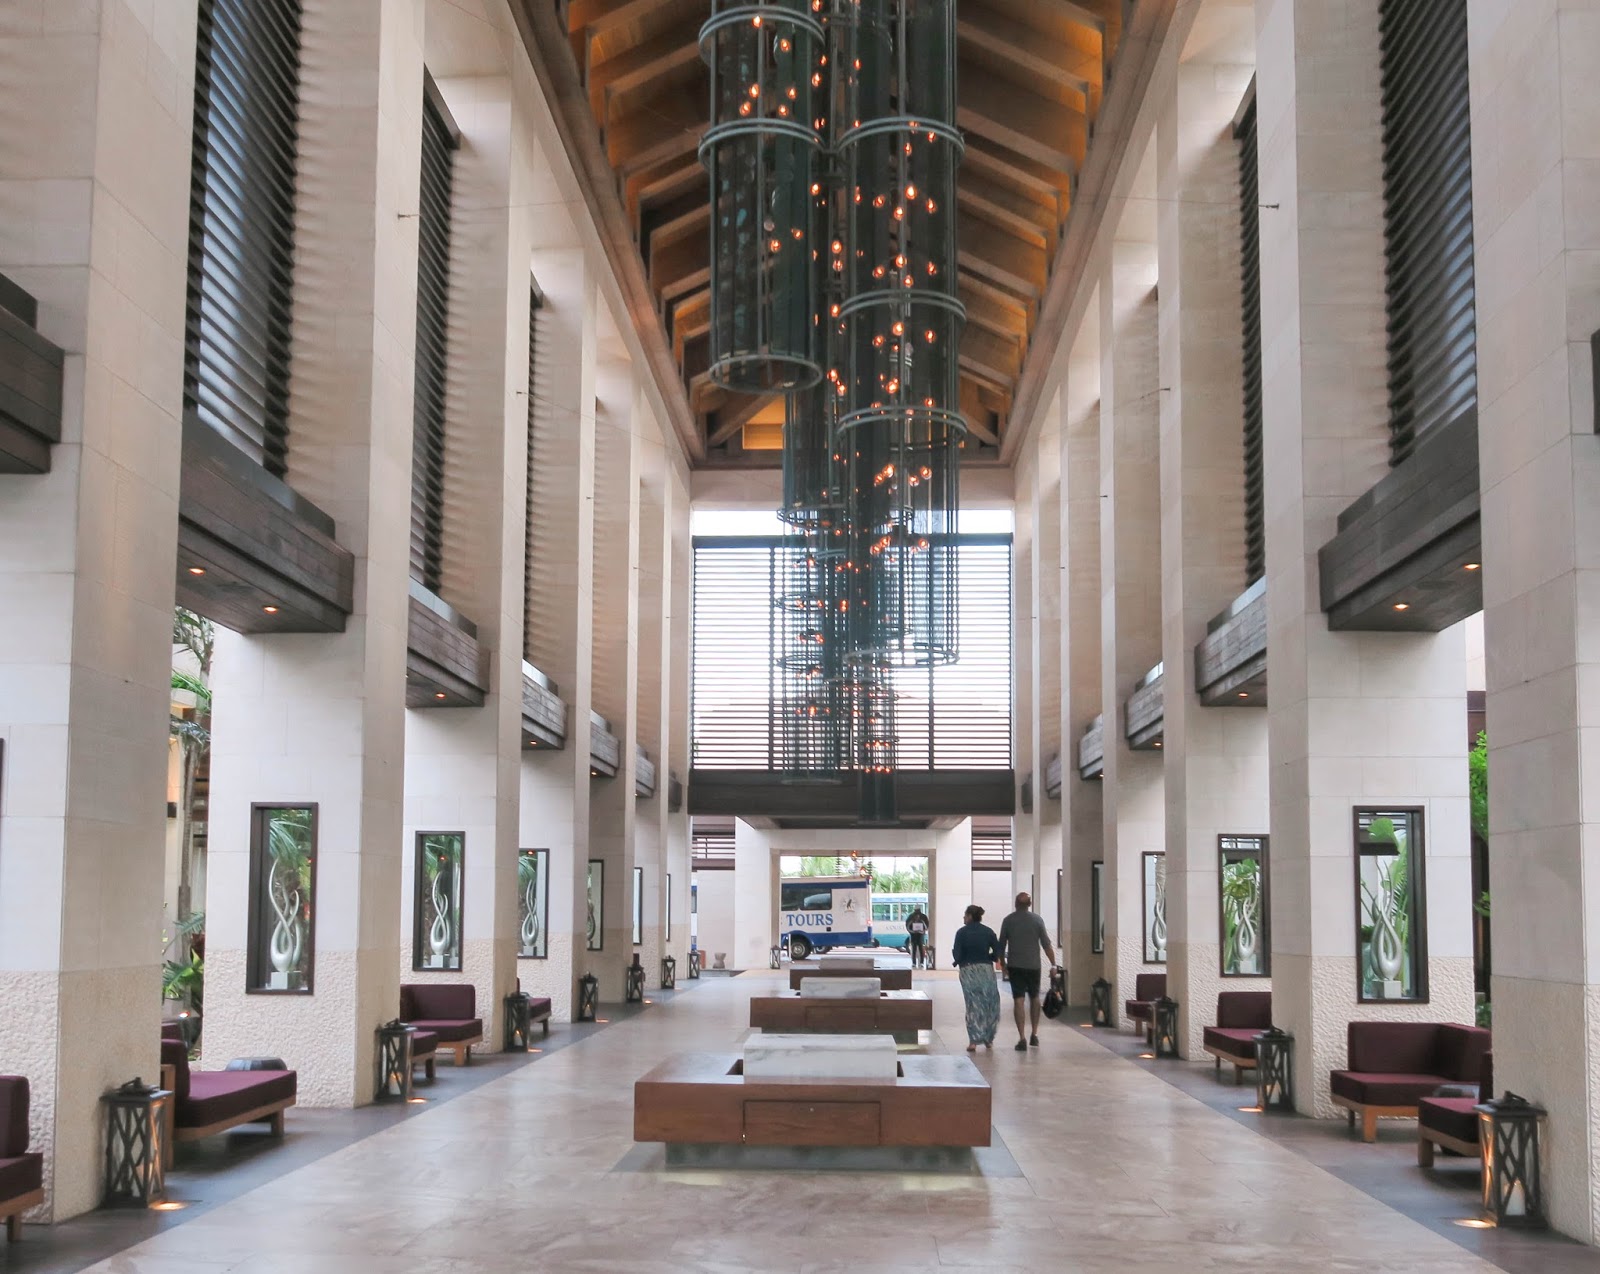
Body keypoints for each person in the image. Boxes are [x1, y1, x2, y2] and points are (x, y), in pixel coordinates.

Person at [998, 892, 1057, 1052]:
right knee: (1035, 998)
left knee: (1019, 1000)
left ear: (1016, 904)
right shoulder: (1037, 920)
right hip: (1034, 966)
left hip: (1016, 966)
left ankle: (1022, 1038)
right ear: (1029, 904)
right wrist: (1054, 964)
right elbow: (1046, 944)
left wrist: (1003, 965)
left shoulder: (1008, 920)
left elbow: (1001, 945)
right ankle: (1034, 1034)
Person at [951, 905, 1002, 1052]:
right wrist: (991, 957)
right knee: (990, 1003)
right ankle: (988, 1038)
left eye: (965, 915)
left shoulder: (961, 932)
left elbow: (958, 954)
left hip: (968, 970)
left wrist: (958, 960)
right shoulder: (988, 932)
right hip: (986, 970)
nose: (963, 918)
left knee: (973, 1004)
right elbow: (998, 949)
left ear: (970, 916)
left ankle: (973, 1040)